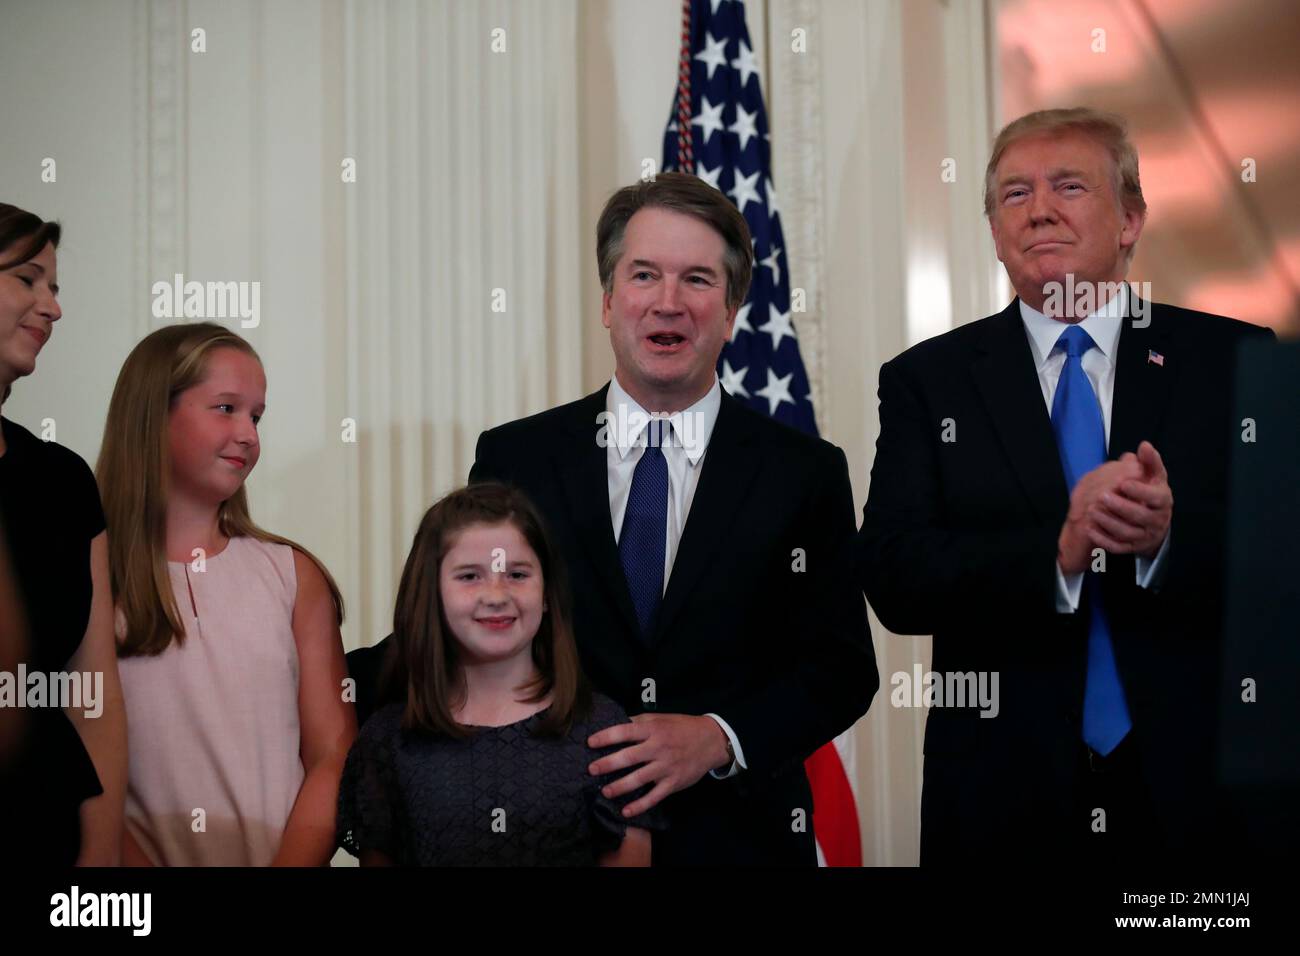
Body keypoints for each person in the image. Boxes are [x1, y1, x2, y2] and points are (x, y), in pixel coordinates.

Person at [857, 107, 1277, 866]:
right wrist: (1058, 553)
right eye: (1014, 195)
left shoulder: (1234, 358)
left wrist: (1165, 542)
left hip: (1195, 795)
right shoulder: (928, 382)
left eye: (1069, 185)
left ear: (1130, 219)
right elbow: (894, 574)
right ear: (994, 231)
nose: (1040, 208)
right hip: (1000, 797)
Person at [469, 172, 878, 865]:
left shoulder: (804, 471)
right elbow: (466, 631)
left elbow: (841, 669)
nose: (668, 303)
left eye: (697, 280)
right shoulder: (517, 457)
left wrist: (720, 738)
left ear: (732, 310)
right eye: (644, 275)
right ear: (607, 300)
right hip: (554, 837)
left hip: (741, 841)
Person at [99, 322, 356, 866]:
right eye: (225, 409)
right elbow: (75, 765)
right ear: (153, 414)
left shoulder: (292, 575)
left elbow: (333, 753)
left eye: (256, 416)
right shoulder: (92, 576)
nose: (249, 434)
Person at [336, 482, 663, 865]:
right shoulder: (387, 741)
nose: (495, 595)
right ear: (431, 593)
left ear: (546, 594)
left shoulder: (607, 734)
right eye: (470, 576)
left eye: (517, 575)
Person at [0, 203, 126, 866]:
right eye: (28, 279)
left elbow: (93, 694)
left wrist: (99, 868)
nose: (52, 308)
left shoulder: (62, 480)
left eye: (55, 287)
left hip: (45, 835)